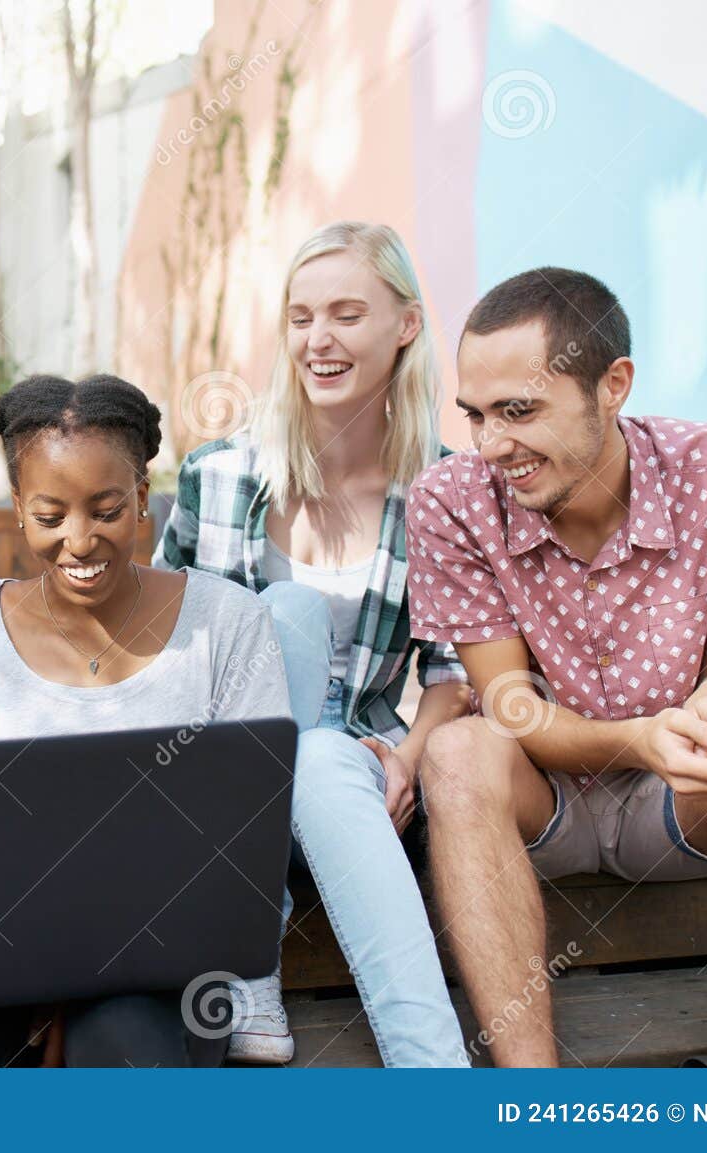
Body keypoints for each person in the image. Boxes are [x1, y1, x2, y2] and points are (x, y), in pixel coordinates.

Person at [406, 267, 707, 1067]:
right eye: (476, 415)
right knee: (456, 751)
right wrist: (641, 738)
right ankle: (531, 1106)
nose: (492, 444)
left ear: (613, 385)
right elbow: (508, 706)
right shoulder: (449, 501)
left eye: (520, 411)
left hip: (679, 804)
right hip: (544, 805)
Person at [0, 373, 292, 1067]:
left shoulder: (228, 624)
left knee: (121, 1049)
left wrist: (83, 981)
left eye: (106, 509)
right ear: (18, 508)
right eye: (50, 517)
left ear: (143, 497)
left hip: (165, 962)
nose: (79, 541)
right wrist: (39, 973)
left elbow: (245, 837)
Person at [156, 221, 471, 1066]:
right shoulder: (219, 475)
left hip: (359, 773)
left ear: (405, 325)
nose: (317, 340)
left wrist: (409, 761)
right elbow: (157, 637)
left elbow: (451, 674)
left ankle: (254, 960)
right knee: (287, 617)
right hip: (213, 763)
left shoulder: (440, 491)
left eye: (344, 314)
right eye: (300, 317)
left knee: (329, 756)